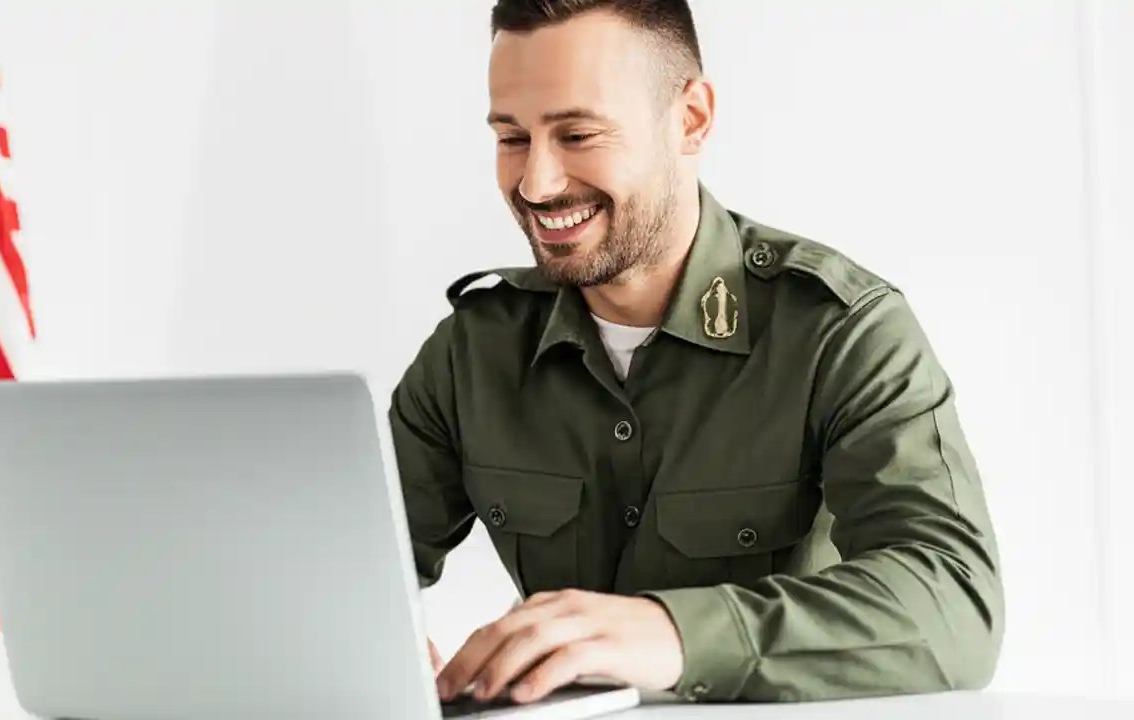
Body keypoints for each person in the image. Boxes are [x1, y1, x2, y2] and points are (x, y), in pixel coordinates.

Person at [387, 0, 1003, 706]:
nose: (536, 183)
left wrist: (668, 633)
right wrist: (369, 652)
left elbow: (957, 604)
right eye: (511, 138)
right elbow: (344, 568)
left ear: (691, 119)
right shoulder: (473, 350)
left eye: (579, 133)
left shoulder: (840, 330)